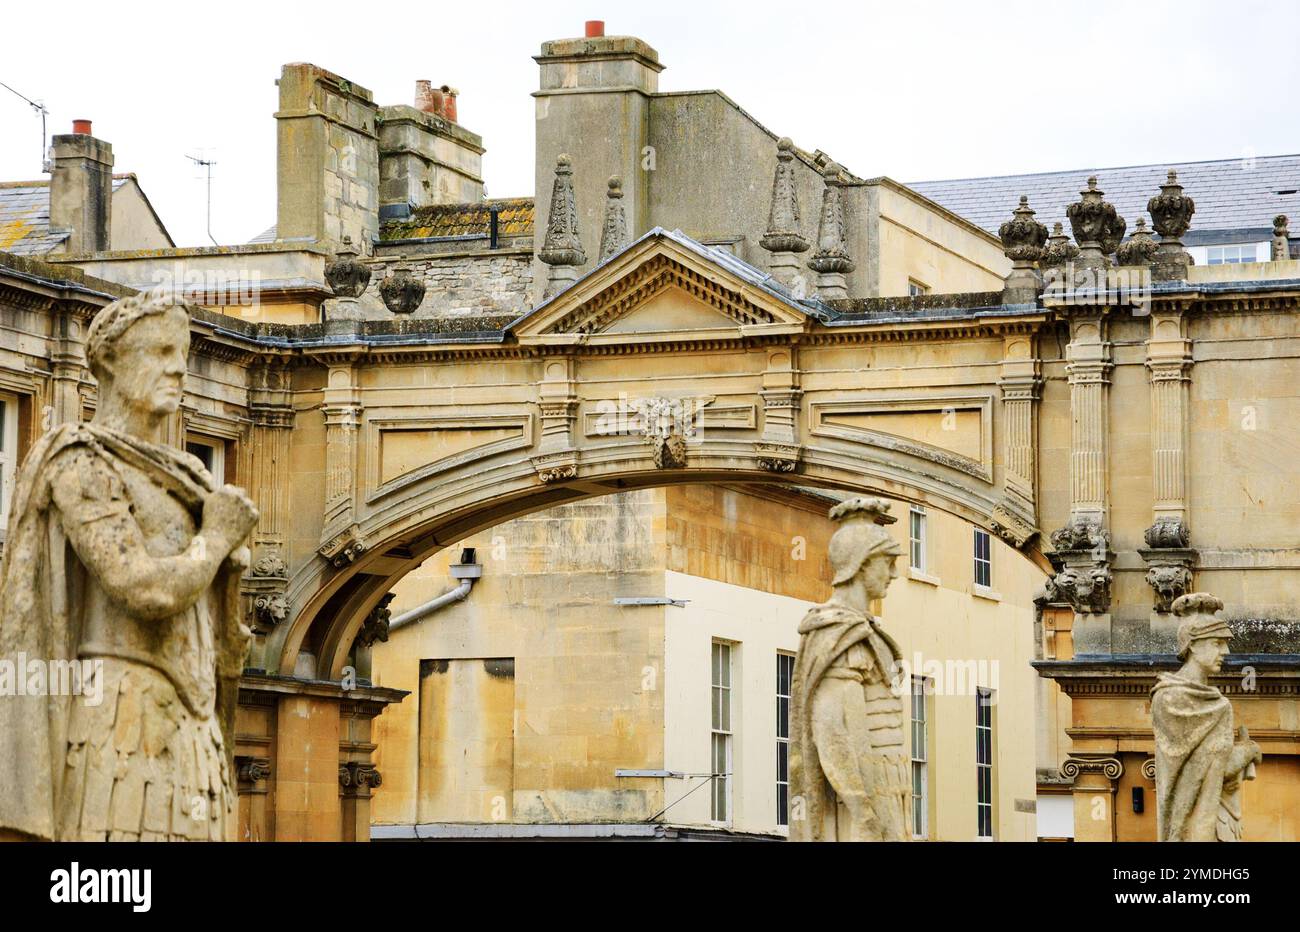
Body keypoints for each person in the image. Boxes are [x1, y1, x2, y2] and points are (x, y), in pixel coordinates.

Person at [0, 289, 258, 841]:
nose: (179, 368)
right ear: (111, 360)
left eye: (183, 353)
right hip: (120, 716)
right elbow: (141, 588)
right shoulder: (79, 459)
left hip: (194, 726)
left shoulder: (190, 473)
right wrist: (215, 541)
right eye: (162, 351)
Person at [789, 497, 910, 841]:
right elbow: (835, 730)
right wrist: (862, 808)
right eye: (886, 563)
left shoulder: (864, 630)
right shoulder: (839, 632)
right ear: (861, 564)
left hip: (889, 782)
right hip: (865, 797)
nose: (893, 573)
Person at [1151, 592, 1261, 842]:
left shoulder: (1218, 702)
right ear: (1192, 644)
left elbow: (1216, 768)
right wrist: (1249, 751)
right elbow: (1210, 767)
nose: (1226, 650)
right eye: (1217, 643)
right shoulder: (1169, 699)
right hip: (1192, 829)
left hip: (1217, 819)